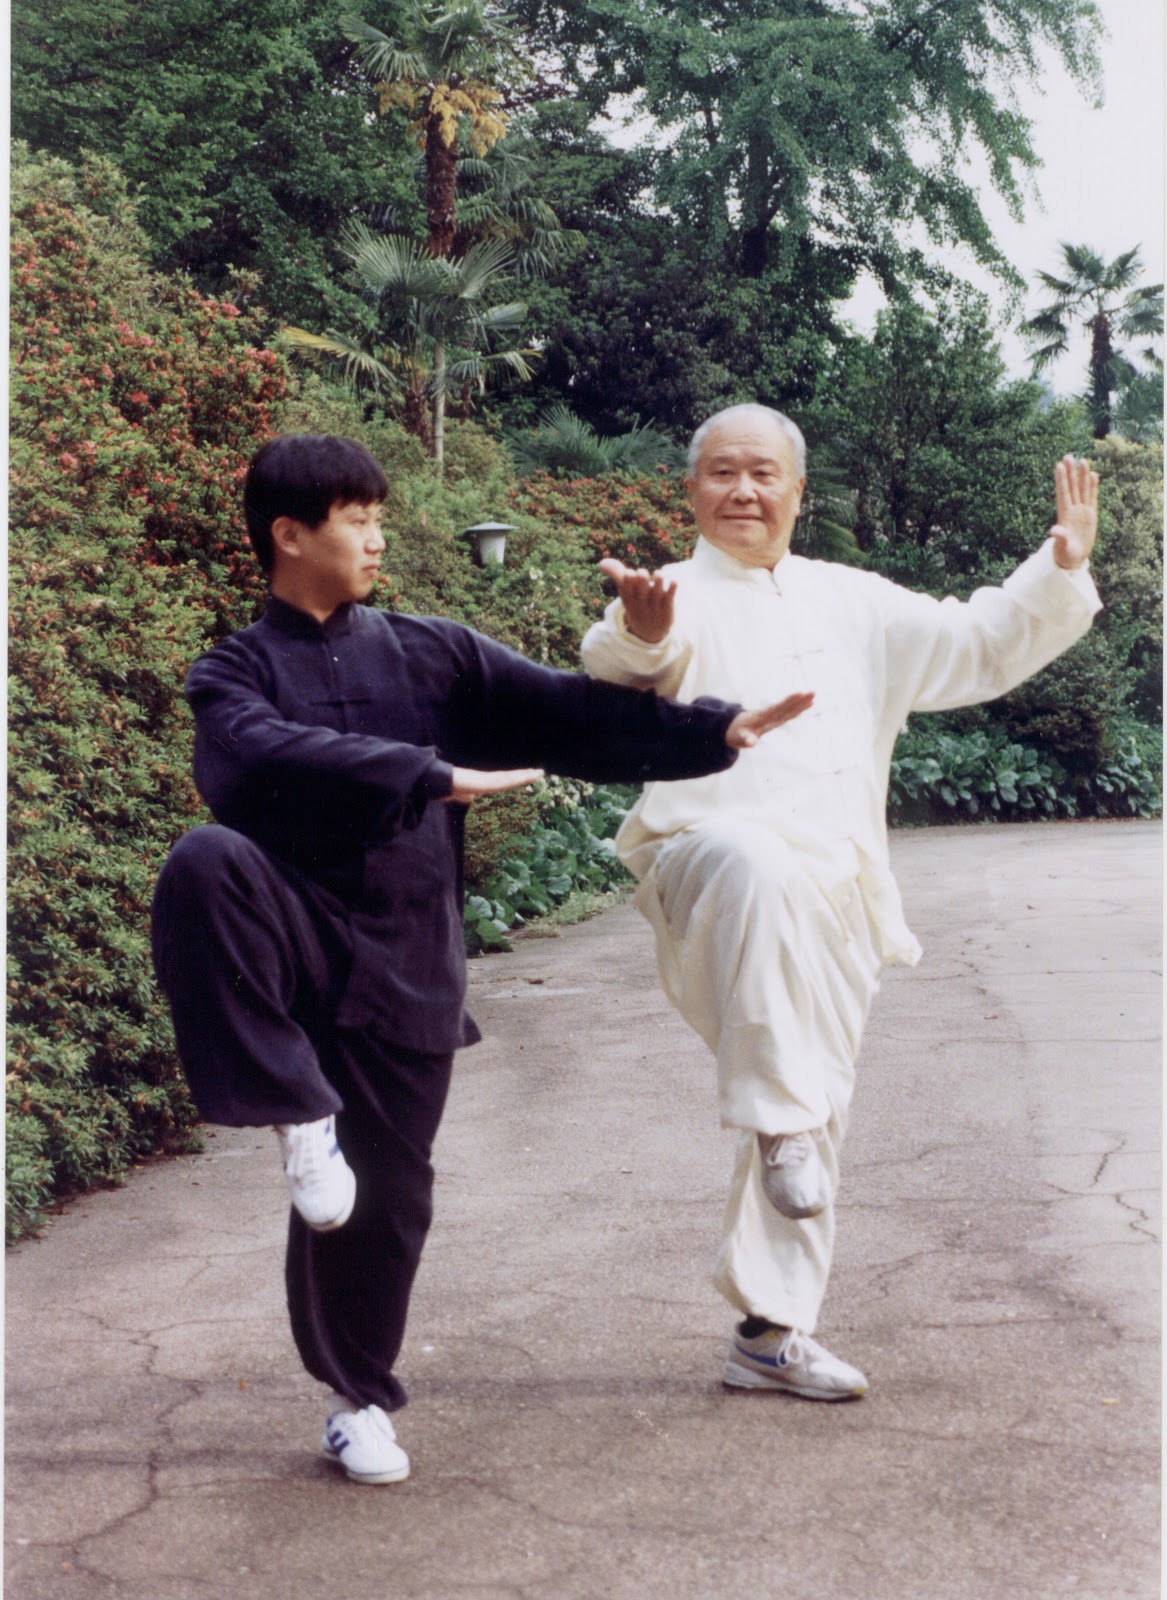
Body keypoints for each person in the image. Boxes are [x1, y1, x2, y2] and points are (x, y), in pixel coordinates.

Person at [151, 432, 814, 1485]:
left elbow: (567, 714)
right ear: (290, 533)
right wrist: (423, 772)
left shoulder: (431, 650)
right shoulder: (234, 669)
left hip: (405, 957)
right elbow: (251, 758)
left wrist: (713, 730)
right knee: (204, 863)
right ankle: (296, 1105)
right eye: (356, 518)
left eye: (376, 515)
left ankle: (357, 1397)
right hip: (292, 933)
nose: (377, 536)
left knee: (389, 1199)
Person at [581, 403, 1100, 1401]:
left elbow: (980, 641)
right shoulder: (667, 594)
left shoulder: (853, 599)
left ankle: (768, 1335)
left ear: (798, 492)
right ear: (692, 490)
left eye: (763, 474)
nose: (743, 491)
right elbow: (610, 680)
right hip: (705, 861)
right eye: (722, 472)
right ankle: (778, 1117)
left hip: (837, 886)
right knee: (756, 868)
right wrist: (641, 641)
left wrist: (1060, 563)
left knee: (821, 1092)